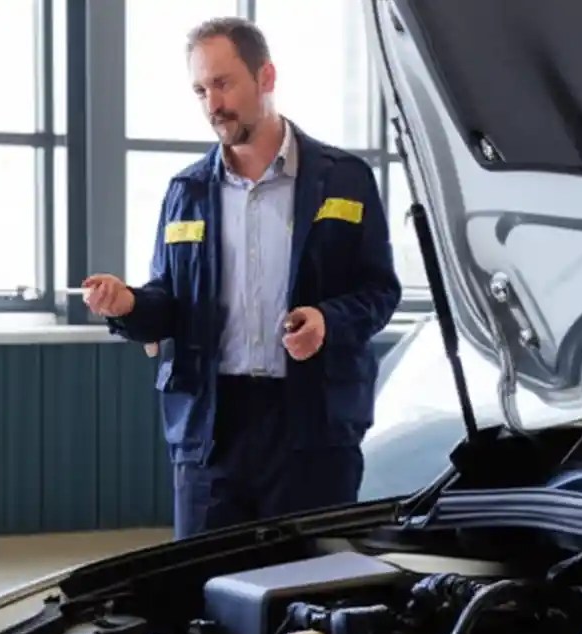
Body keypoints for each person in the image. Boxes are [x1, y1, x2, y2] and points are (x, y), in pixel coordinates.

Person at [82, 17, 401, 540]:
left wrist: (327, 320)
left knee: (311, 590)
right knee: (204, 594)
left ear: (266, 76)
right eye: (201, 89)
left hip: (313, 426)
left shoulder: (345, 179)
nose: (213, 104)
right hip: (212, 429)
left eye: (224, 83)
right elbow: (169, 303)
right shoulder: (185, 190)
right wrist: (129, 306)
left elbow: (380, 292)